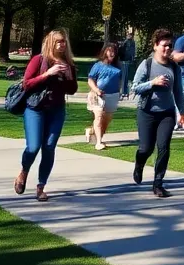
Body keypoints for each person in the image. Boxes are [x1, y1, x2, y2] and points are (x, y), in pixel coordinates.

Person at [15, 30, 78, 202]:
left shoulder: (68, 63)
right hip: (35, 108)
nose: (62, 44)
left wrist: (68, 76)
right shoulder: (39, 60)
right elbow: (26, 84)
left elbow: (72, 90)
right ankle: (24, 171)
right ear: (51, 43)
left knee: (49, 147)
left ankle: (41, 187)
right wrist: (47, 74)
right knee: (33, 147)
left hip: (56, 110)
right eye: (58, 41)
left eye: (64, 41)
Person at [132, 29, 184, 198]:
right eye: (164, 45)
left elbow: (178, 91)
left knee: (163, 147)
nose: (167, 49)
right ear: (156, 45)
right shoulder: (147, 64)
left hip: (167, 113)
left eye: (170, 45)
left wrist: (182, 112)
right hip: (147, 112)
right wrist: (152, 83)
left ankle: (158, 184)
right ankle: (139, 163)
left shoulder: (174, 67)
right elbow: (134, 87)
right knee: (146, 148)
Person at [85, 43, 124, 150]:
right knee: (99, 117)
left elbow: (120, 81)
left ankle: (92, 131)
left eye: (114, 51)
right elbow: (90, 79)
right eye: (109, 50)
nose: (112, 53)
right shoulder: (98, 65)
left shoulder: (118, 67)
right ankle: (98, 142)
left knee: (106, 120)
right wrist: (96, 90)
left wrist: (120, 92)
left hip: (113, 95)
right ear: (105, 52)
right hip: (98, 95)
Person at [119, 27, 137, 98]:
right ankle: (124, 91)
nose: (130, 36)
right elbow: (123, 51)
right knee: (125, 77)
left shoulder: (131, 42)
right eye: (129, 34)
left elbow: (132, 52)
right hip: (125, 61)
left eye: (130, 34)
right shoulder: (126, 42)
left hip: (129, 61)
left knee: (127, 78)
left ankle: (126, 91)